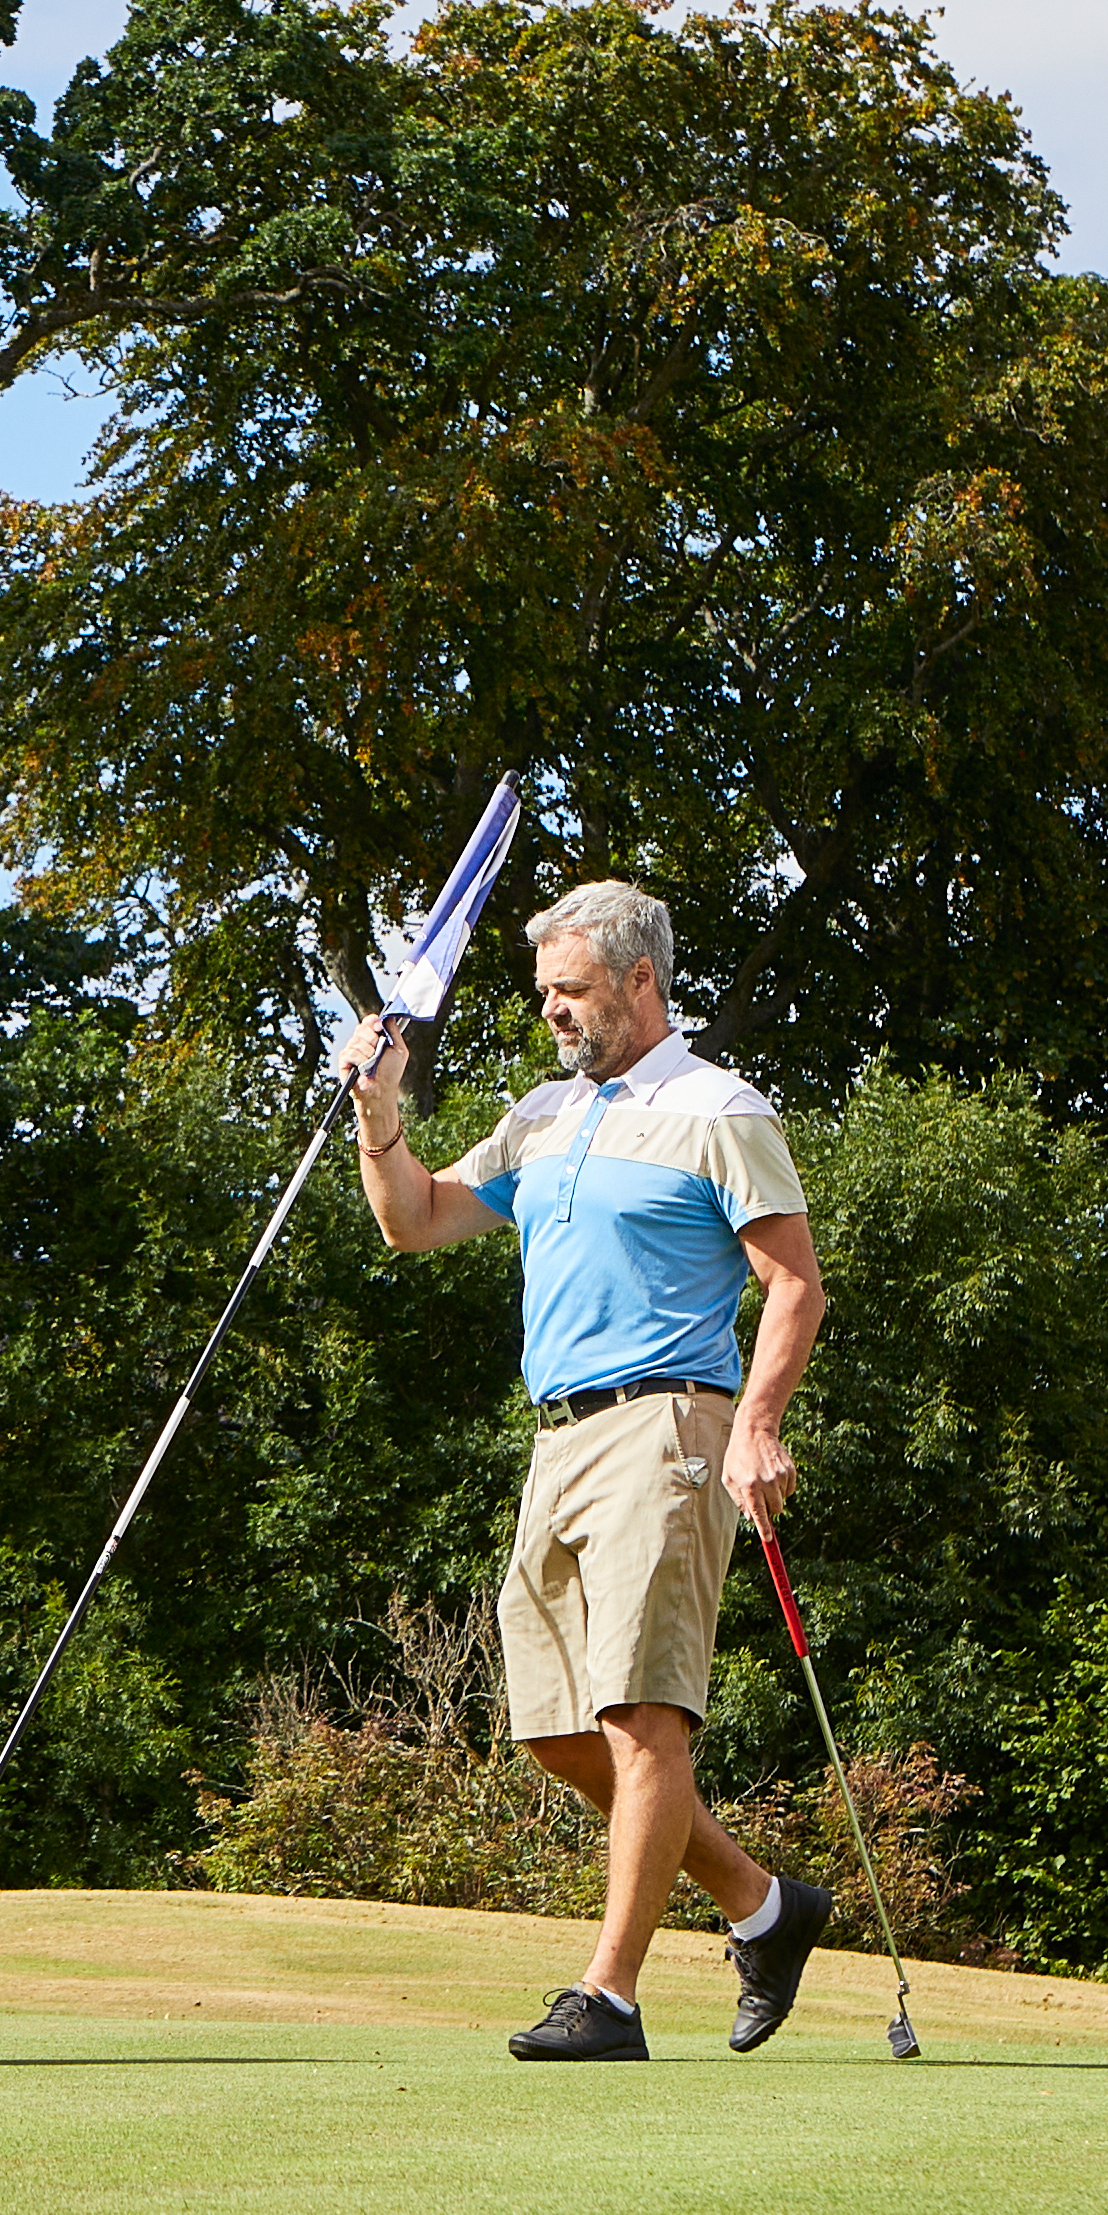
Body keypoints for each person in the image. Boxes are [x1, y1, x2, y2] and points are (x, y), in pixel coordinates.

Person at [345, 878, 834, 2063]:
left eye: (569, 989)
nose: (552, 1010)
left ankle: (609, 1994)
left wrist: (758, 1424)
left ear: (640, 980)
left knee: (639, 1715)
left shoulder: (718, 1109)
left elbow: (795, 1284)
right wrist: (379, 1114)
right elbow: (414, 1220)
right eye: (543, 991)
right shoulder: (543, 1117)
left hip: (667, 1429)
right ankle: (767, 1907)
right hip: (556, 1439)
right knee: (554, 1728)